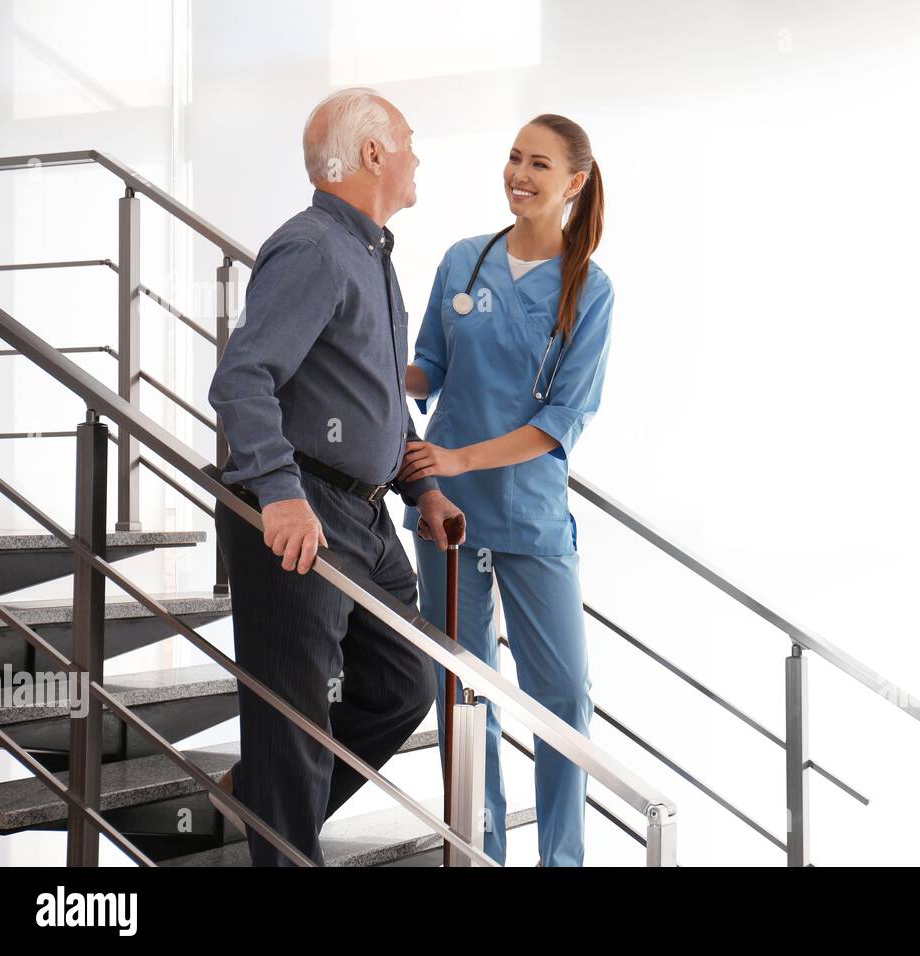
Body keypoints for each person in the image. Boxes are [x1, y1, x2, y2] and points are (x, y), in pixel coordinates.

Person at [206, 86, 466, 866]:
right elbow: (242, 380)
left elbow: (375, 397)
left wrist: (423, 487)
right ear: (374, 154)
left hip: (368, 517)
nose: (418, 155)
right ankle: (280, 831)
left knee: (404, 688)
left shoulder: (373, 255)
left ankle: (264, 802)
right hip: (301, 508)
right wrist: (280, 496)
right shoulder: (313, 248)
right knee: (292, 721)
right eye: (410, 142)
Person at [399, 114, 612, 867]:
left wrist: (459, 460)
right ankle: (478, 847)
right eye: (515, 158)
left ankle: (562, 859)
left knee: (563, 698)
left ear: (575, 184)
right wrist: (365, 364)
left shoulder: (590, 287)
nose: (519, 174)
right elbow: (426, 366)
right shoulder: (463, 260)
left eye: (540, 166)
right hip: (445, 512)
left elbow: (562, 420)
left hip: (525, 508)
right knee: (461, 692)